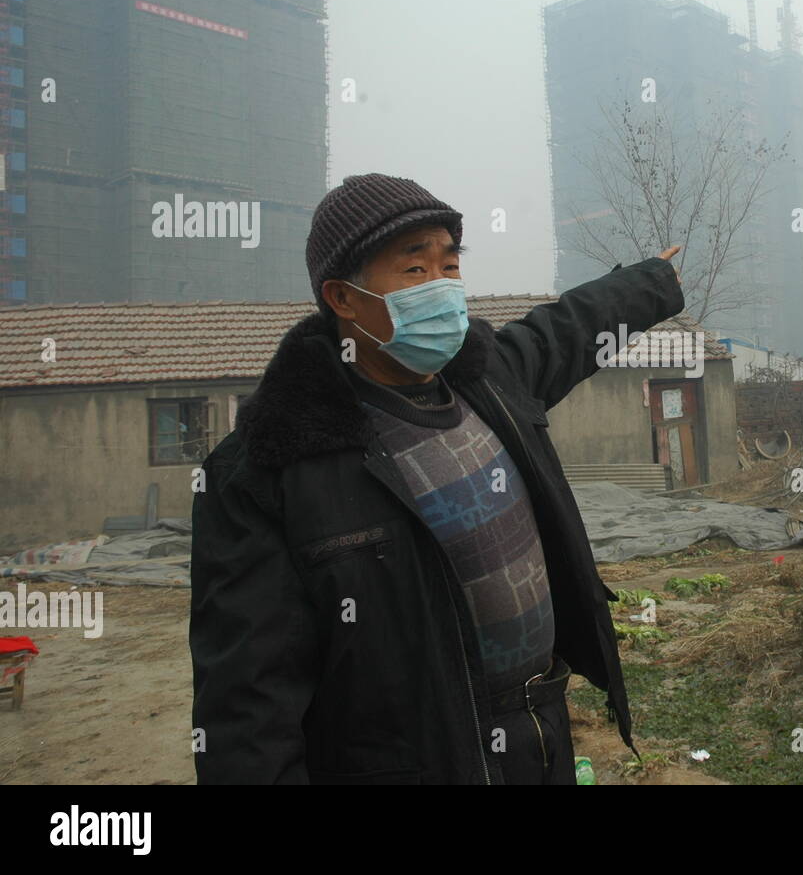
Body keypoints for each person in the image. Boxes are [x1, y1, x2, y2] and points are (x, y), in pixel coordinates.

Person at [190, 173, 684, 784]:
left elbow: (566, 331)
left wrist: (649, 284)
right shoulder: (272, 468)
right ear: (342, 299)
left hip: (539, 728)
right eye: (414, 271)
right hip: (418, 761)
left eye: (450, 267)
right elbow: (247, 704)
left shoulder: (487, 380)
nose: (443, 289)